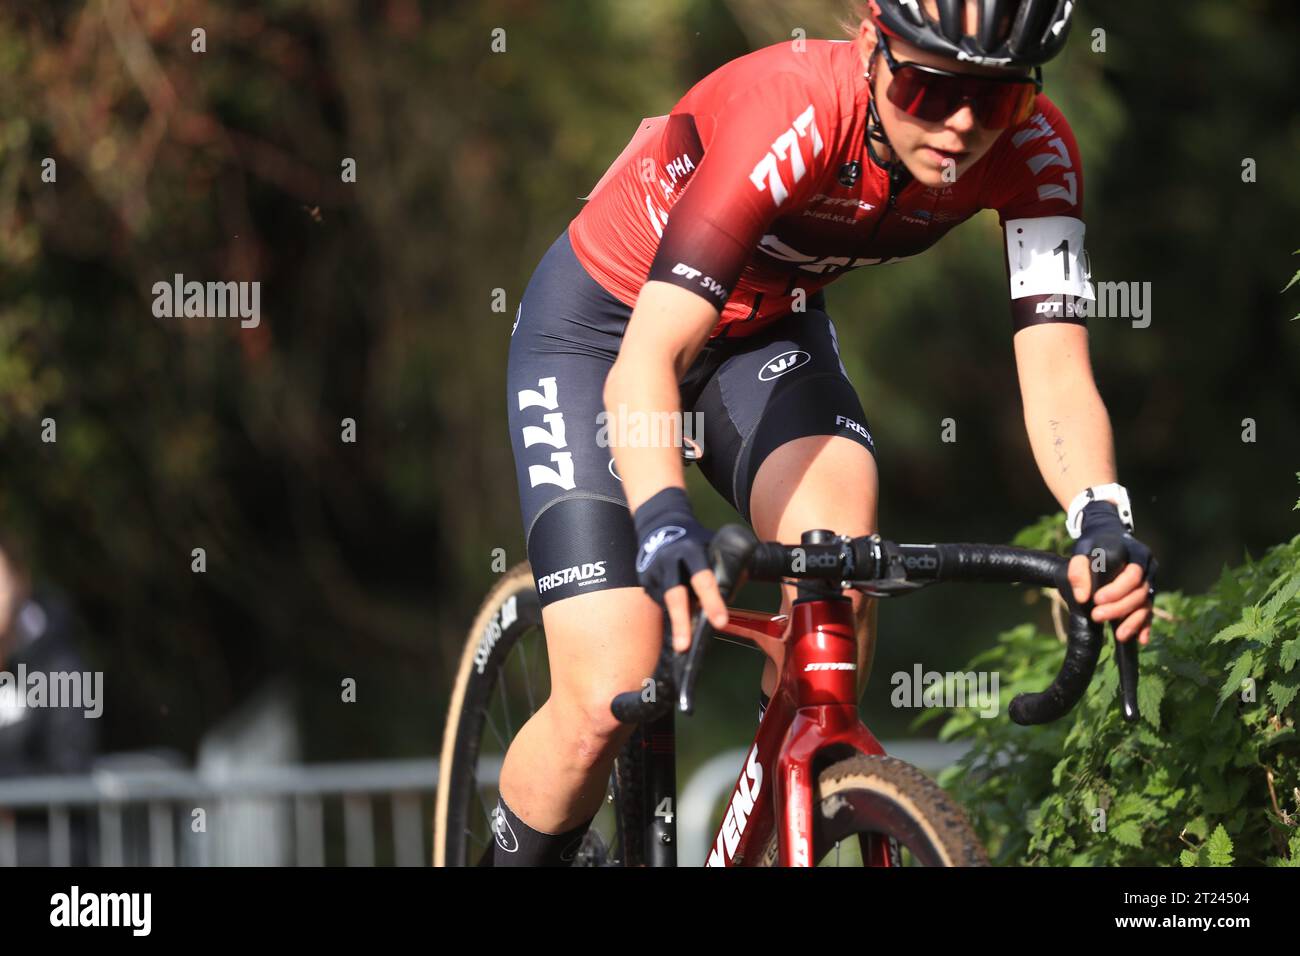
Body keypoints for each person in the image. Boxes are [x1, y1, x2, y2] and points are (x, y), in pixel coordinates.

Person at [490, 0, 1156, 866]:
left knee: (838, 561)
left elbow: (1058, 372)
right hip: (607, 331)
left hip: (765, 330)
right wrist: (660, 517)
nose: (959, 129)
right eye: (927, 88)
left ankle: (780, 827)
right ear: (875, 50)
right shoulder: (794, 110)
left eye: (997, 102)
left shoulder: (1038, 153)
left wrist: (1100, 515)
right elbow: (647, 360)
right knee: (607, 685)